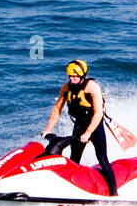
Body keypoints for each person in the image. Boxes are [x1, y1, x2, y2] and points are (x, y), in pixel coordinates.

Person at [40, 59, 119, 196]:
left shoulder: (92, 87)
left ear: (82, 75)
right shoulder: (66, 88)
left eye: (74, 76)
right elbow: (57, 109)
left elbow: (98, 113)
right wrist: (48, 129)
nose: (71, 79)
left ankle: (114, 194)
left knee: (102, 159)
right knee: (73, 159)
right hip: (79, 125)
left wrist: (88, 133)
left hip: (94, 125)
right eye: (70, 76)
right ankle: (70, 191)